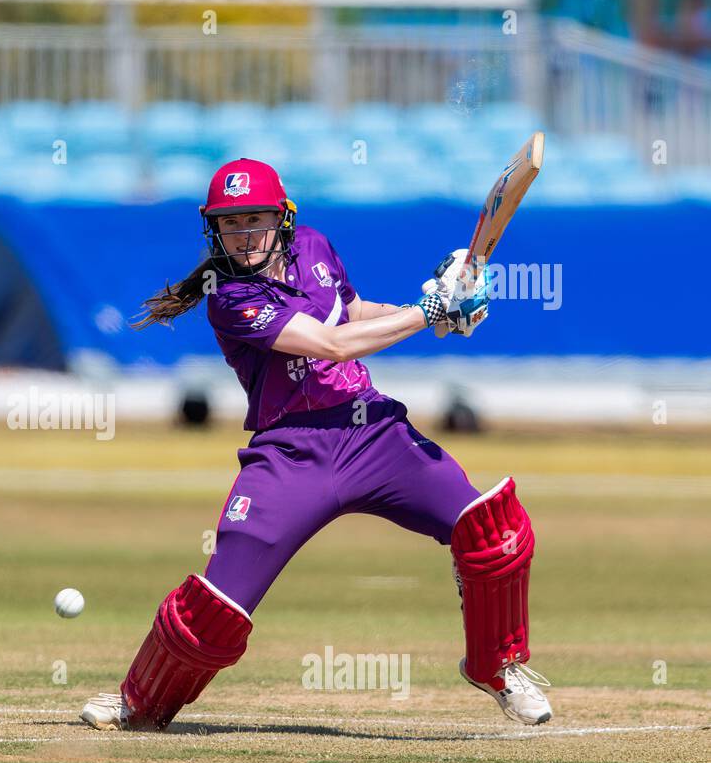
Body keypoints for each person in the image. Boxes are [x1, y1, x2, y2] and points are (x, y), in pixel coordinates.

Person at [80, 159, 551, 731]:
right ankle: (138, 700)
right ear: (213, 231)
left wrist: (441, 312)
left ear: (283, 219)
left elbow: (350, 314)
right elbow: (330, 344)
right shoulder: (228, 298)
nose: (244, 236)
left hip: (372, 433)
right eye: (230, 225)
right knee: (215, 612)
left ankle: (496, 667)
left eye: (255, 220)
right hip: (291, 454)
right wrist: (426, 313)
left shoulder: (314, 245)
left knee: (492, 532)